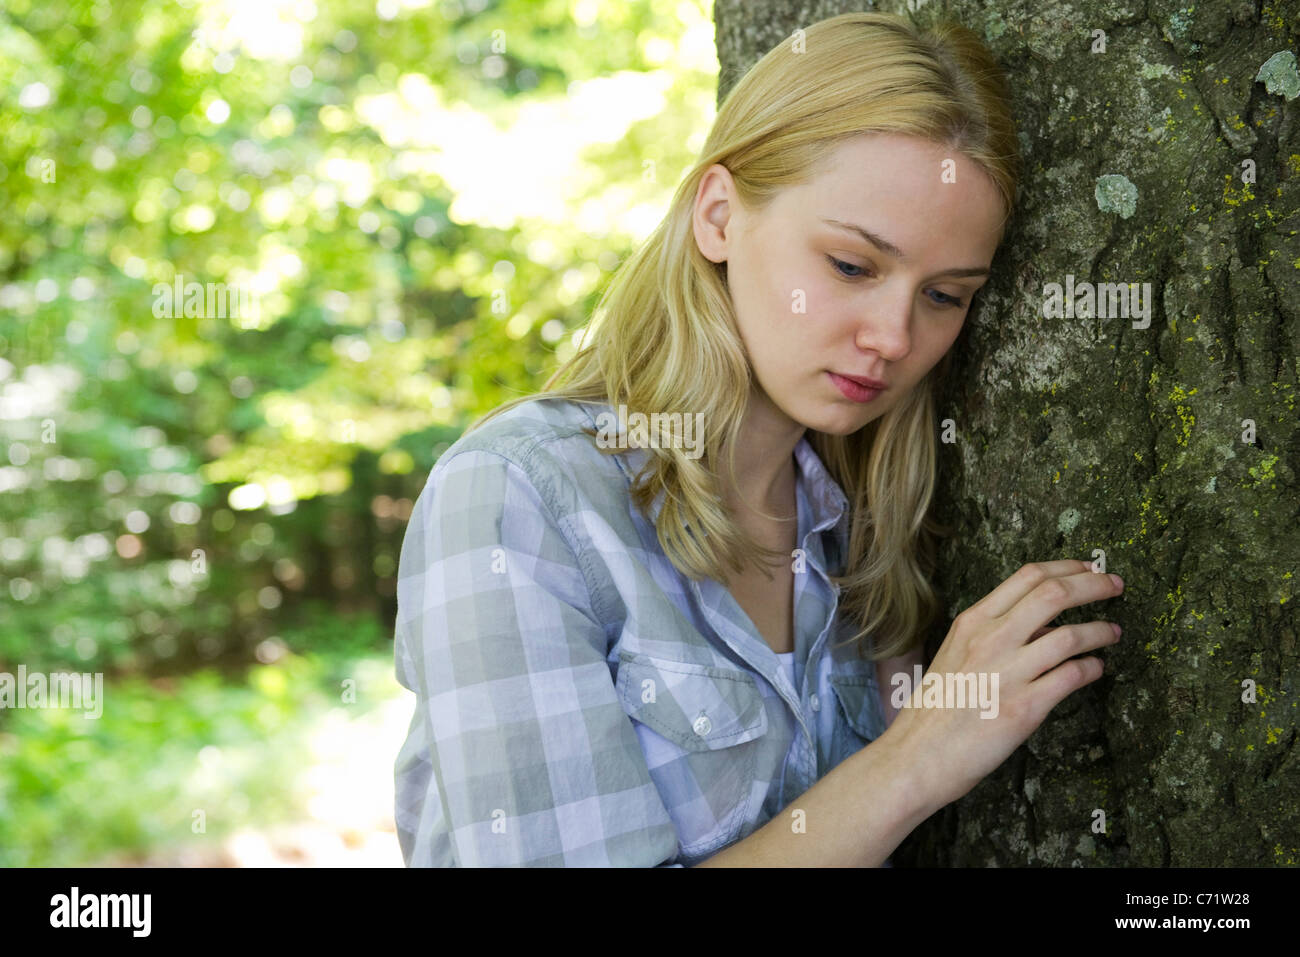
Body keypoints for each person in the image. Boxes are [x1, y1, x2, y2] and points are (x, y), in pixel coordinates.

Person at [392, 10, 1125, 867]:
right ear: (717, 215)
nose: (893, 337)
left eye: (945, 295)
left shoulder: (863, 533)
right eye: (852, 266)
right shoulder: (520, 498)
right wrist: (916, 758)